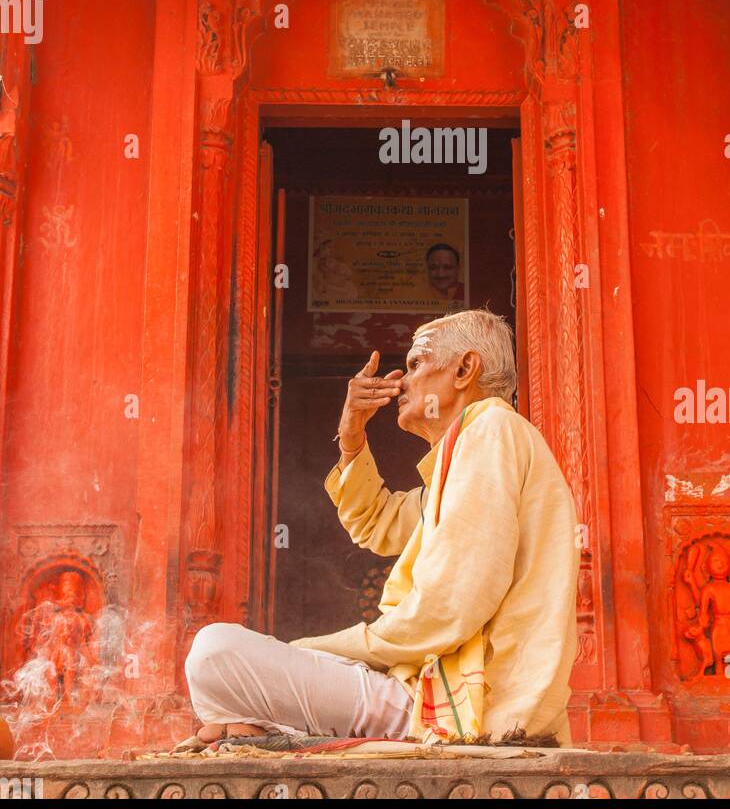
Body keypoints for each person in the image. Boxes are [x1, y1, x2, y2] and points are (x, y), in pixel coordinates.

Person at [185, 309, 578, 745]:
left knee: (214, 651)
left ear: (465, 369)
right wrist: (351, 435)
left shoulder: (492, 430)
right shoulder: (465, 455)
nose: (402, 381)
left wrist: (316, 650)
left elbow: (449, 608)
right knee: (219, 667)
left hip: (454, 706)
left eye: (415, 364)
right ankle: (277, 732)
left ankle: (280, 732)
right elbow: (377, 522)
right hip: (420, 689)